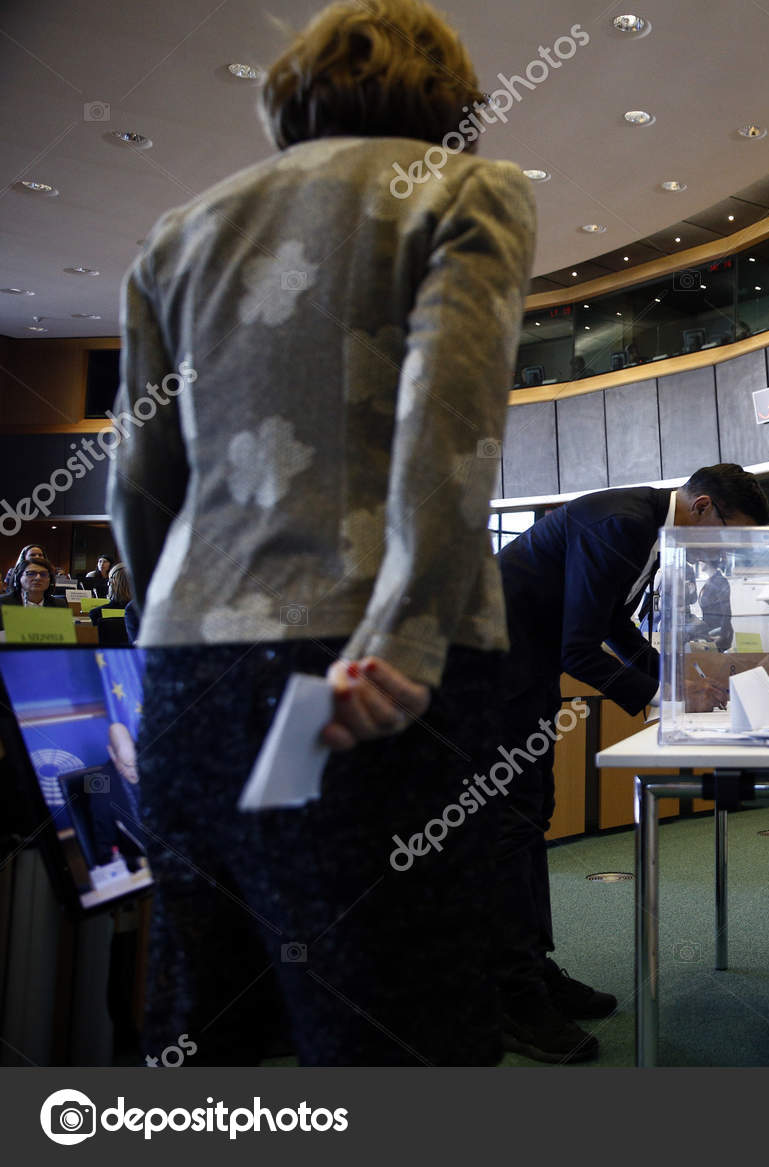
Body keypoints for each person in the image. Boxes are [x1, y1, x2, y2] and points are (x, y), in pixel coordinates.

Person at [107, 0, 536, 1066]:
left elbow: (138, 482)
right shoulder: (468, 190)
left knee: (214, 1018)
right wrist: (406, 637)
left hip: (189, 679)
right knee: (394, 1024)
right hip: (367, 675)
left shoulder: (179, 233)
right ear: (451, 97)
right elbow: (449, 430)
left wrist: (180, 636)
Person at [494, 464, 769, 1062]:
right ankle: (510, 997)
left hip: (527, 671)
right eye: (729, 537)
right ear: (700, 508)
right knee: (508, 828)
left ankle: (533, 971)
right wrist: (663, 698)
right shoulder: (622, 524)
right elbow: (577, 646)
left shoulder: (645, 526)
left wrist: (679, 678)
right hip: (494, 672)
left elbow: (612, 623)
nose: (725, 554)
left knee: (532, 816)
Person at [1, 556, 69, 624]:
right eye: (31, 573)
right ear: (18, 577)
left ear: (50, 580)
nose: (38, 578)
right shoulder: (3, 603)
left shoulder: (59, 605)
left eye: (43, 574)